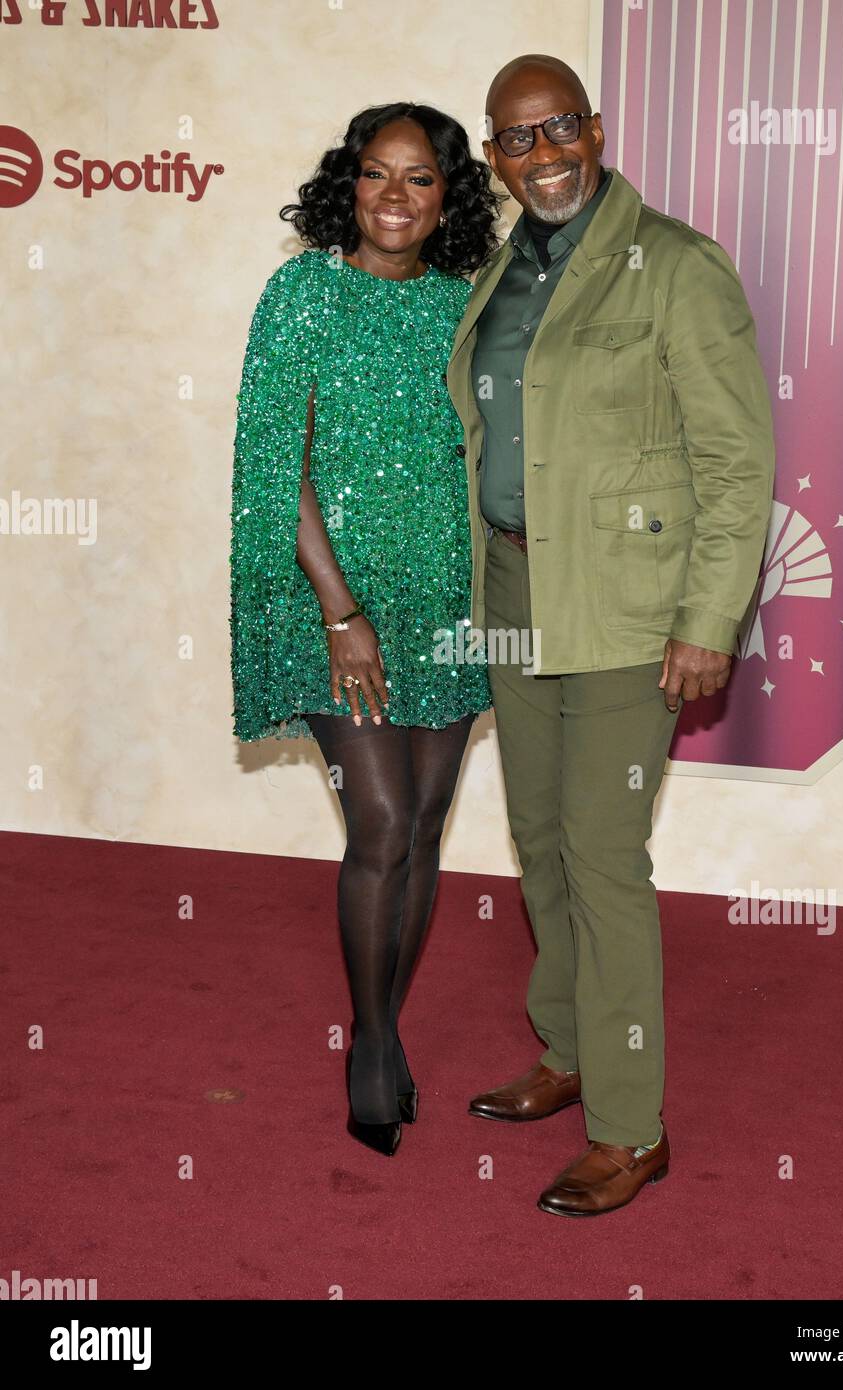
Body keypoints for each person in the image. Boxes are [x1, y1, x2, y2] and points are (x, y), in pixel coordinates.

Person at [445, 55, 776, 1215]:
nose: (544, 156)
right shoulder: (502, 271)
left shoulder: (677, 265)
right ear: (495, 156)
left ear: (595, 129)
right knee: (538, 834)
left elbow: (737, 463)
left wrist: (707, 619)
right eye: (518, 140)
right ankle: (568, 1043)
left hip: (632, 612)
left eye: (561, 129)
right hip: (517, 593)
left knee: (602, 855)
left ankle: (632, 1128)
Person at [230, 103, 500, 1157]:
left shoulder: (461, 306)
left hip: (445, 602)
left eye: (420, 179)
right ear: (349, 183)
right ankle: (372, 1040)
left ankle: (386, 1025)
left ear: (448, 197)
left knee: (427, 821)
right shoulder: (301, 296)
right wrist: (342, 610)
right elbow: (275, 465)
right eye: (376, 175)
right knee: (380, 823)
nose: (395, 197)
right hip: (327, 597)